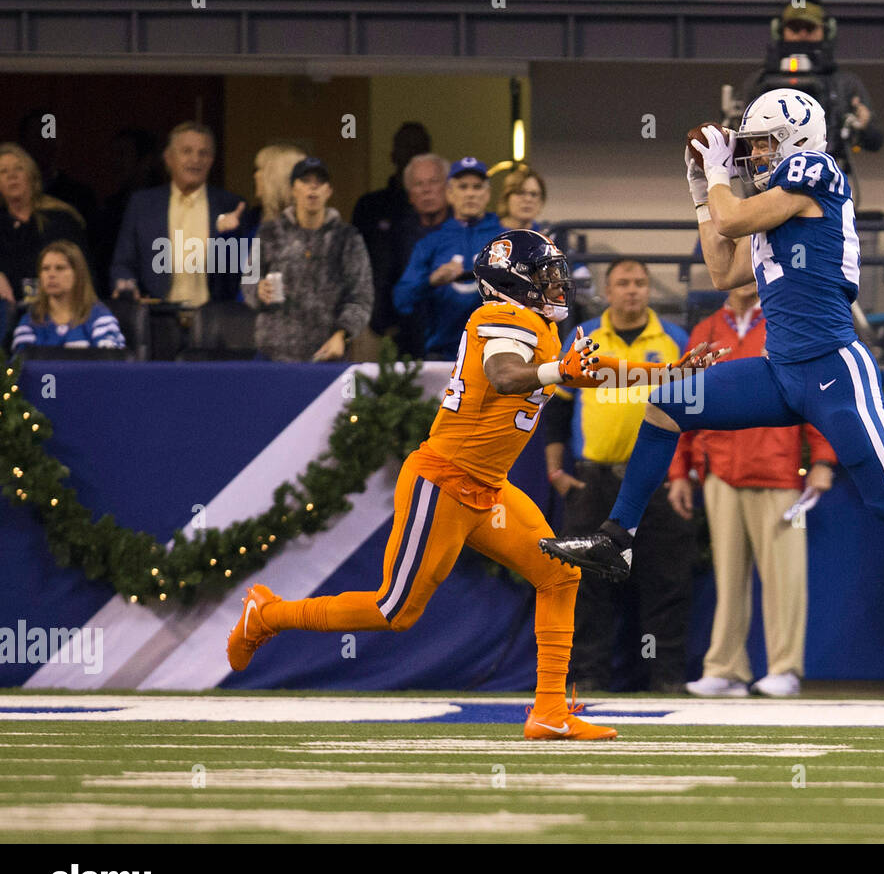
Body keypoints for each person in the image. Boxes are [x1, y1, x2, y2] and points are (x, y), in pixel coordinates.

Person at [540, 88, 884, 604]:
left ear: (796, 141)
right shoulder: (776, 212)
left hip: (832, 369)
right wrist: (701, 190)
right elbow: (722, 272)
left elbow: (733, 220)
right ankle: (618, 539)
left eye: (763, 145)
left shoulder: (817, 171)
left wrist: (717, 177)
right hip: (778, 370)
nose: (753, 157)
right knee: (667, 405)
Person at [226, 228, 722, 740]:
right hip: (442, 481)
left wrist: (664, 375)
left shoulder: (535, 325)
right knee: (394, 610)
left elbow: (586, 375)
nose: (556, 284)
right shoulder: (498, 317)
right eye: (544, 275)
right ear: (515, 282)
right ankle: (267, 614)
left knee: (561, 575)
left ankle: (549, 711)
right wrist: (557, 369)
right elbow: (507, 375)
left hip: (489, 488)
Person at [668, 281, 836, 698]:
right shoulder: (706, 330)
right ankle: (725, 669)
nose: (743, 277)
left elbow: (814, 394)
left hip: (778, 471)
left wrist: (822, 460)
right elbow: (684, 398)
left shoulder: (788, 325)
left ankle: (785, 669)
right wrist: (678, 471)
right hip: (720, 471)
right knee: (728, 577)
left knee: (786, 577)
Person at [545, 258, 696, 692]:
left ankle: (666, 679)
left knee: (666, 580)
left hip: (659, 482)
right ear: (607, 292)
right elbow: (556, 411)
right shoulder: (584, 338)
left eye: (640, 283)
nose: (632, 290)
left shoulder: (674, 340)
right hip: (593, 481)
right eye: (623, 283)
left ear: (649, 290)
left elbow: (695, 411)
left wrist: (684, 473)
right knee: (587, 582)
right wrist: (556, 471)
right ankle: (589, 679)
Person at [738, 0, 881, 179]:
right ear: (780, 31)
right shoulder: (757, 82)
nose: (802, 34)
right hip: (766, 181)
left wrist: (865, 125)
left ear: (827, 31)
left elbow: (875, 141)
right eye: (795, 28)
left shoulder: (845, 84)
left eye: (810, 28)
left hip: (825, 181)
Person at [247, 157, 373, 363]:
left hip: (326, 354)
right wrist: (258, 290)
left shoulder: (347, 238)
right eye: (305, 181)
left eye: (319, 182)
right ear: (293, 190)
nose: (312, 188)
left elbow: (361, 296)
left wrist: (342, 334)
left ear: (329, 191)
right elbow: (248, 281)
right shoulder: (269, 233)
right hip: (273, 355)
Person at [109, 122, 246, 305]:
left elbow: (245, 270)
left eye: (203, 153)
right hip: (157, 318)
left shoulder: (230, 205)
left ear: (211, 160)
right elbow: (123, 263)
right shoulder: (143, 204)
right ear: (168, 158)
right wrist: (125, 286)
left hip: (213, 319)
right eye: (187, 151)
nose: (195, 160)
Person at [392, 157, 502, 360]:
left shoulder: (506, 238)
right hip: (443, 354)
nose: (470, 193)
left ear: (487, 194)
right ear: (449, 194)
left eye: (477, 187)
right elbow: (401, 300)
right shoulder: (430, 243)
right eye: (463, 187)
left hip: (496, 354)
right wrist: (432, 281)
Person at [375, 153, 450, 355]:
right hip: (409, 341)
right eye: (418, 184)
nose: (426, 190)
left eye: (433, 181)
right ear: (410, 195)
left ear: (448, 187)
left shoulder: (466, 228)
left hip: (457, 338)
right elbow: (384, 282)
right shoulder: (395, 236)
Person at [0, 143, 88, 305]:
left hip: (58, 310)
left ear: (32, 176)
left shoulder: (60, 220)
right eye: (3, 171)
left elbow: (81, 273)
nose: (12, 176)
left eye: (18, 169)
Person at [10, 240, 125, 351]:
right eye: (45, 268)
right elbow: (20, 367)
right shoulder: (30, 322)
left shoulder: (100, 318)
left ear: (78, 274)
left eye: (60, 268)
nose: (51, 274)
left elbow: (112, 363)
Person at [91, 128, 163, 298]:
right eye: (114, 154)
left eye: (123, 154)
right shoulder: (110, 207)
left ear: (145, 161)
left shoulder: (164, 206)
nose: (115, 162)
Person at [351, 121, 432, 265]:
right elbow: (354, 261)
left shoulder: (444, 208)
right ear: (393, 155)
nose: (412, 154)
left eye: (418, 149)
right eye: (406, 147)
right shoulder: (369, 206)